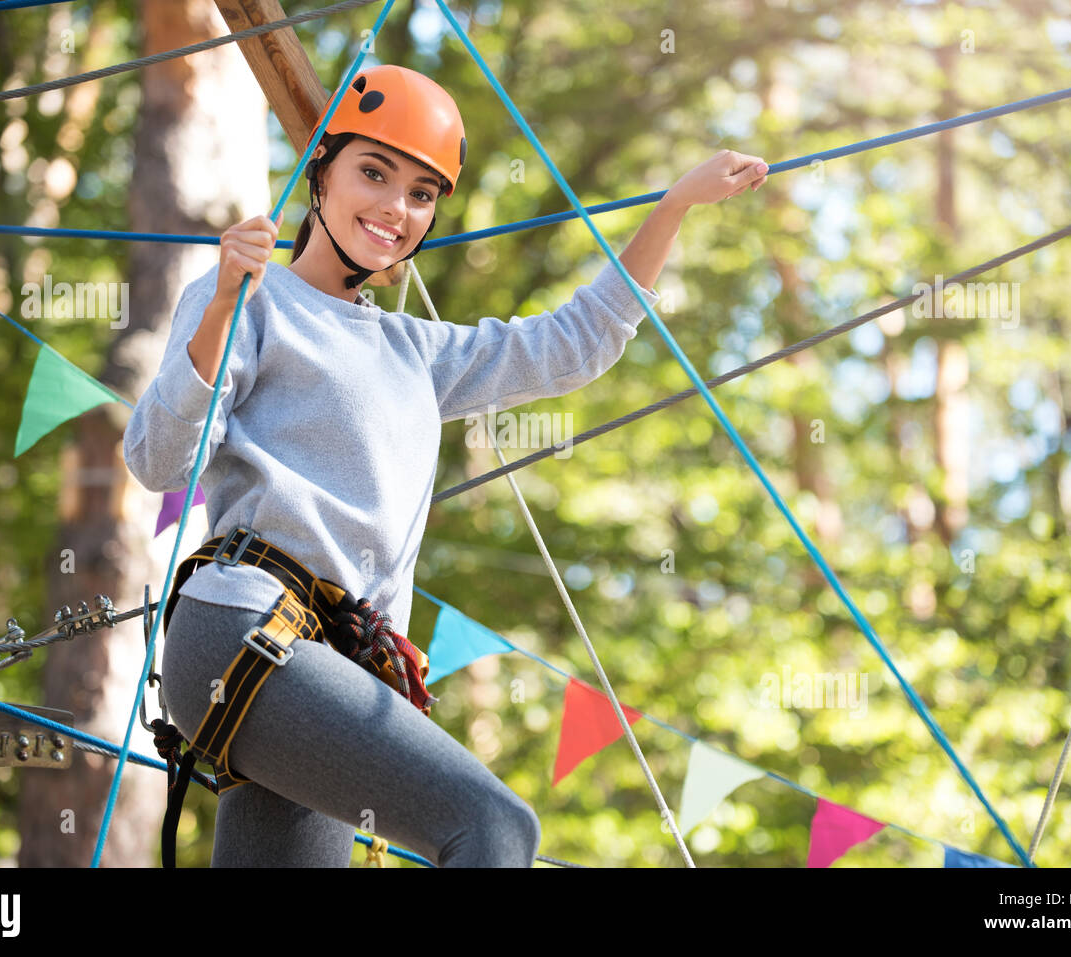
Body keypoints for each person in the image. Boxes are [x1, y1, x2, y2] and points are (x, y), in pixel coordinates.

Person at [123, 64, 768, 868]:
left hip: (335, 666)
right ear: (320, 169)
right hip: (243, 628)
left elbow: (572, 342)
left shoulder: (416, 353)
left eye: (422, 193)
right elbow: (157, 459)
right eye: (374, 172)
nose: (396, 207)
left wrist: (672, 209)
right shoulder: (254, 299)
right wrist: (220, 305)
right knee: (493, 826)